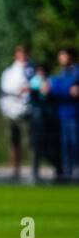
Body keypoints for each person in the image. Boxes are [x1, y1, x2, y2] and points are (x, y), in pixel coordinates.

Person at [0, 46, 34, 181]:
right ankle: (15, 169)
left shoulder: (31, 70)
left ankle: (33, 169)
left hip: (27, 111)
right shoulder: (9, 72)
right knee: (14, 142)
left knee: (30, 141)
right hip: (11, 111)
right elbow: (6, 91)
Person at [48, 47, 79, 180]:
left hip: (75, 113)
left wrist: (62, 89)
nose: (61, 58)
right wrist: (66, 91)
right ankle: (67, 170)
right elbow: (55, 88)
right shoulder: (61, 73)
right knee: (65, 143)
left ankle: (76, 168)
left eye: (63, 56)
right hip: (63, 113)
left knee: (75, 142)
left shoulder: (76, 72)